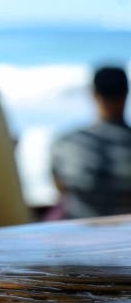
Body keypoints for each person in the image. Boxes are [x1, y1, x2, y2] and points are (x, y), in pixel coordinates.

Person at [50, 66, 131, 219]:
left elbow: (61, 190)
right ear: (126, 93)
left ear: (93, 94)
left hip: (80, 231)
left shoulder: (66, 143)